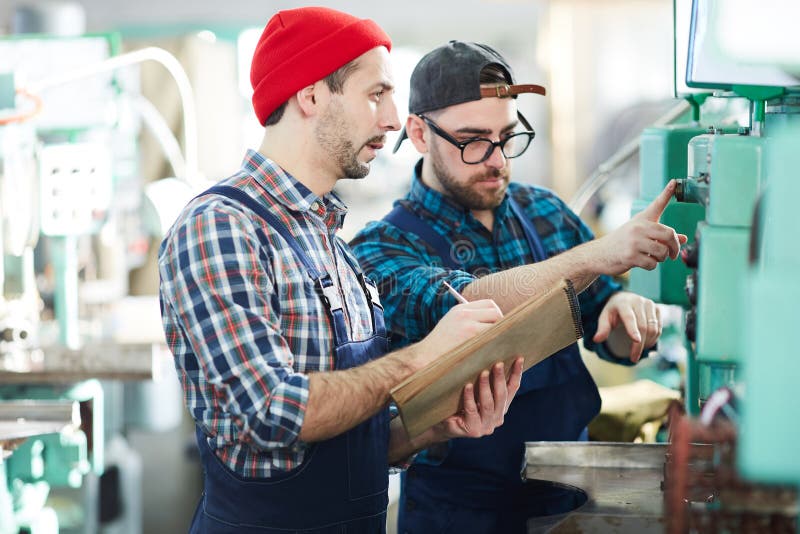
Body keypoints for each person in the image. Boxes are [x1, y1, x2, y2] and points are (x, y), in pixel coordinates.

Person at [158, 15, 523, 534]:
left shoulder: (330, 240)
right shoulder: (220, 227)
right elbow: (271, 413)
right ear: (310, 96)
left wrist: (430, 429)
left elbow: (347, 445)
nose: (394, 120)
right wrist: (425, 355)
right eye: (377, 95)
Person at [350, 40, 687, 533]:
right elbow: (466, 301)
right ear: (419, 133)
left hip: (572, 490)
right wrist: (599, 254)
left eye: (507, 137)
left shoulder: (545, 212)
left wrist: (625, 312)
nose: (497, 160)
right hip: (458, 515)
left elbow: (606, 325)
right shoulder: (380, 248)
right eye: (473, 141)